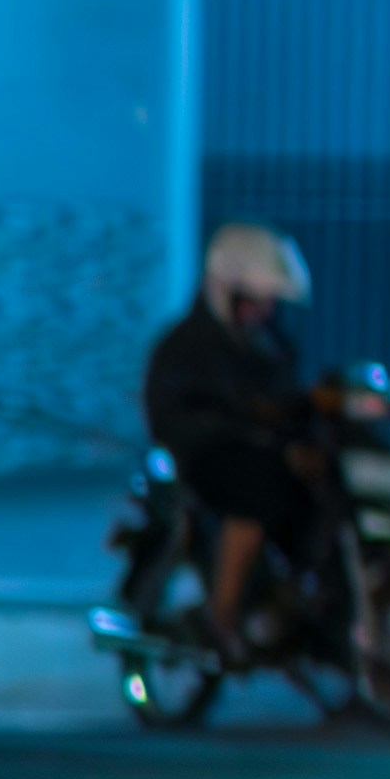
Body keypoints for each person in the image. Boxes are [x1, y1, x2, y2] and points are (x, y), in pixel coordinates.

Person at [142, 224, 351, 657]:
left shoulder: (271, 347)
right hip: (207, 456)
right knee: (258, 491)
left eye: (269, 302)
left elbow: (285, 400)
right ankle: (224, 615)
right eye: (256, 300)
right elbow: (191, 412)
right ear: (227, 293)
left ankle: (302, 605)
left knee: (318, 494)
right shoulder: (186, 346)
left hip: (261, 450)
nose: (266, 310)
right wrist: (254, 422)